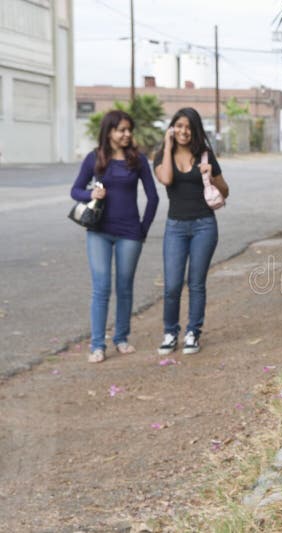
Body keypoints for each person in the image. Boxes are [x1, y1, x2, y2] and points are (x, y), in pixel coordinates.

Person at [70, 110, 159, 363]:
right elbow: (75, 190)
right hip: (99, 231)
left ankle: (121, 338)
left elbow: (153, 197)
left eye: (129, 129)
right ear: (109, 131)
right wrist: (91, 196)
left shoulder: (138, 160)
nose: (127, 134)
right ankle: (97, 345)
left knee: (124, 287)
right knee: (101, 288)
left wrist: (143, 229)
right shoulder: (94, 158)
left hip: (130, 233)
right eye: (121, 129)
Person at [153, 107, 229, 356]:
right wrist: (167, 143)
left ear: (194, 130)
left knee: (196, 283)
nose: (184, 131)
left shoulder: (205, 156)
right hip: (175, 226)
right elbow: (165, 179)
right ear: (172, 127)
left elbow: (225, 191)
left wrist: (212, 176)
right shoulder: (162, 155)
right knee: (172, 284)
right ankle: (170, 332)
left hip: (204, 225)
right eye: (179, 126)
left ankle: (193, 333)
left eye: (189, 127)